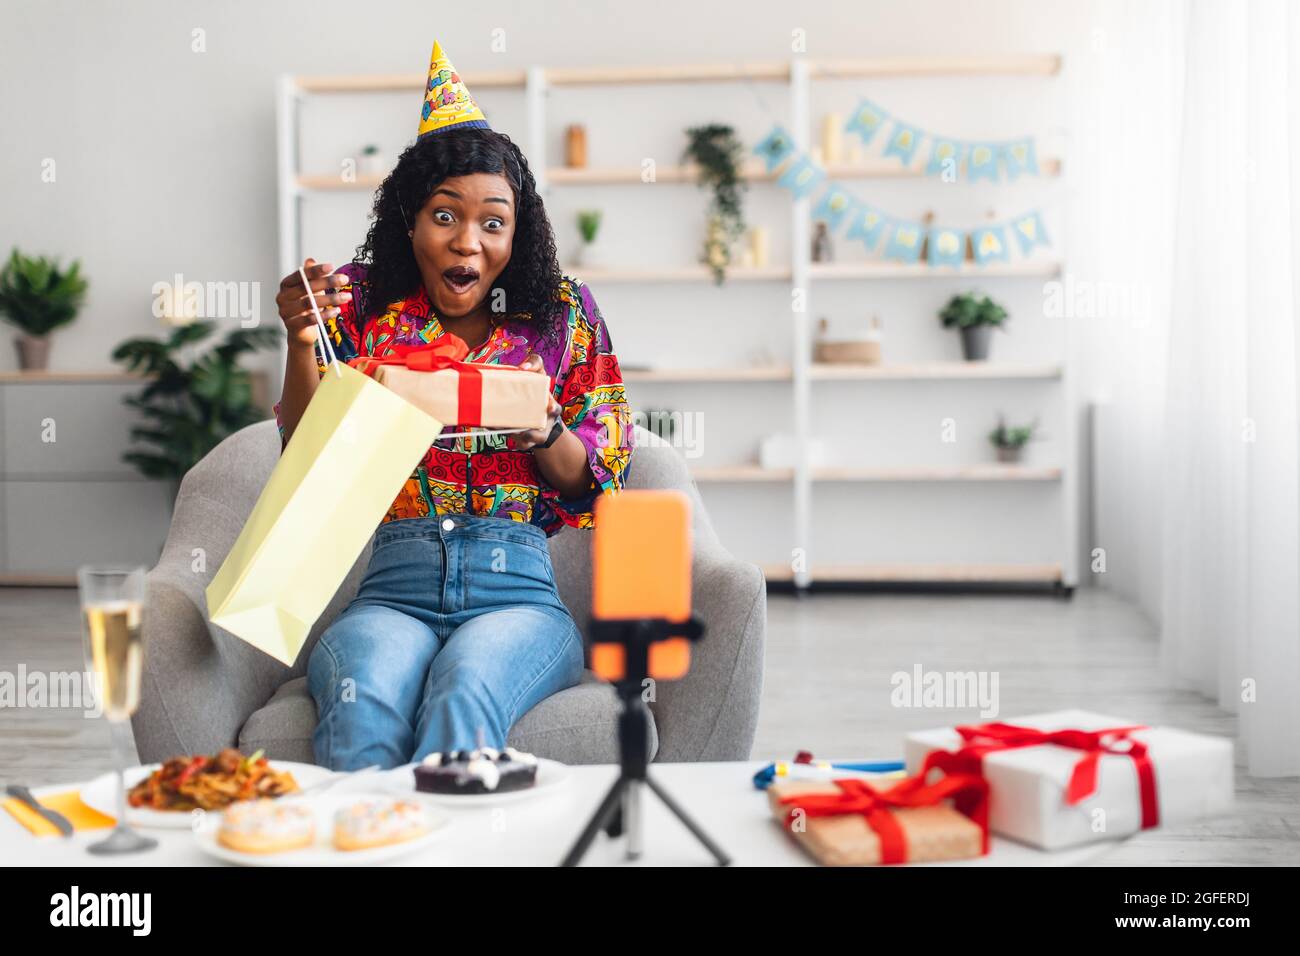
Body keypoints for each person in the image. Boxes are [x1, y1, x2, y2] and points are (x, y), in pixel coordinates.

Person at [272, 40, 634, 770]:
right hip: (391, 588)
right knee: (363, 700)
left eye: (493, 222)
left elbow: (594, 476)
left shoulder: (562, 313)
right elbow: (306, 453)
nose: (469, 241)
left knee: (463, 690)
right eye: (445, 216)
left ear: (516, 230)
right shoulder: (363, 301)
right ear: (411, 219)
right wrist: (301, 339)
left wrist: (544, 427)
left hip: (519, 595)